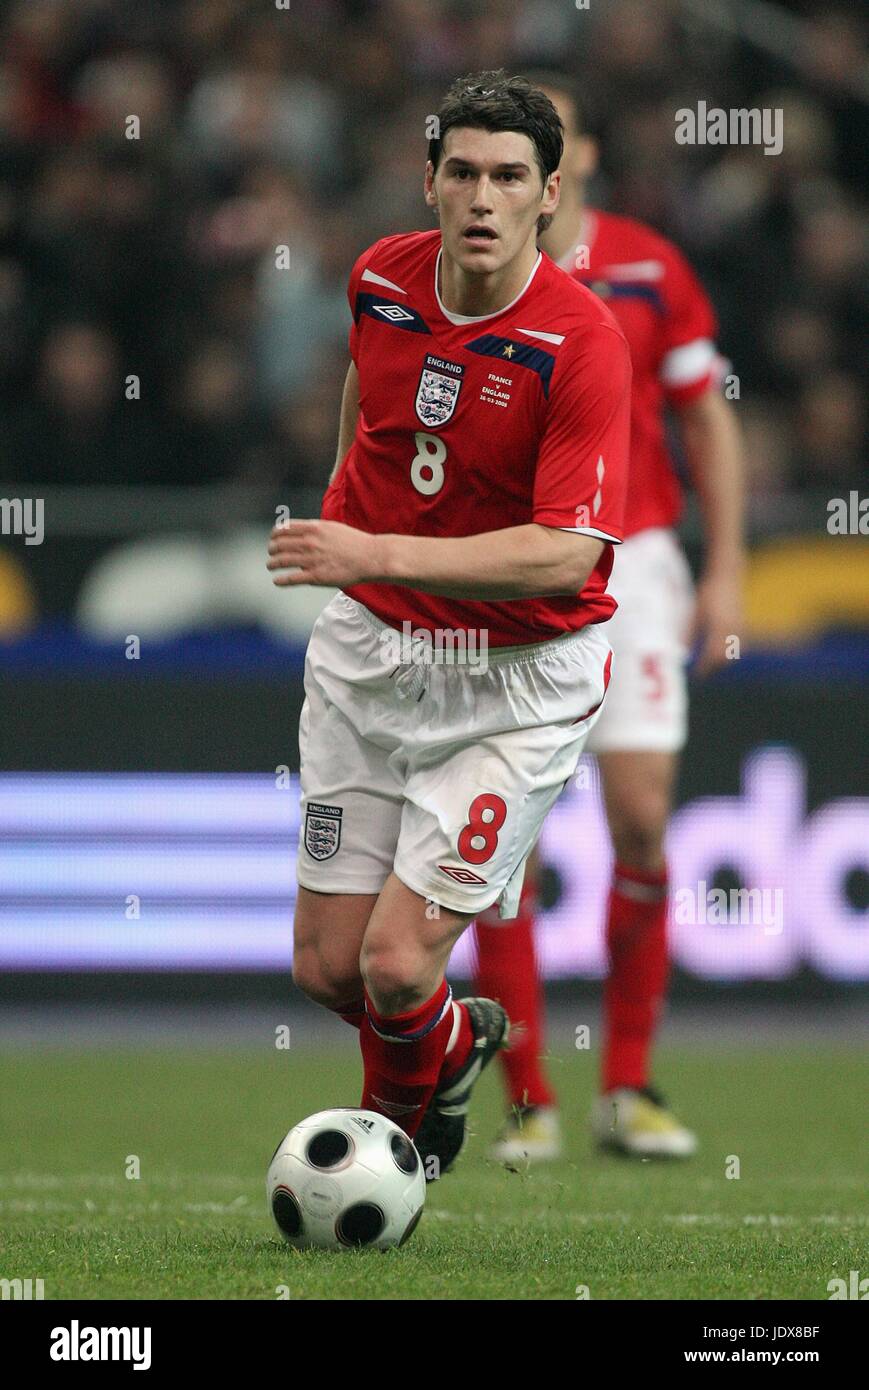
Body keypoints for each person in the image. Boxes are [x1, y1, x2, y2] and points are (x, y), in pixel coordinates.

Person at [266, 70, 631, 1177]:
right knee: (328, 971)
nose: (482, 197)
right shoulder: (378, 275)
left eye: (508, 178)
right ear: (427, 181)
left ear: (548, 196)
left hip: (514, 680)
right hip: (371, 655)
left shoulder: (580, 342)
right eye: (462, 172)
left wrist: (369, 547)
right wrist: (346, 488)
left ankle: (392, 1158)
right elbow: (368, 389)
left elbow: (565, 551)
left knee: (392, 959)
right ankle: (454, 1039)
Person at [473, 73, 746, 1164]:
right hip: (509, 570)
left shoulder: (645, 266)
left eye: (545, 143)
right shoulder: (474, 270)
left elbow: (708, 421)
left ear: (574, 157)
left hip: (630, 563)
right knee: (495, 838)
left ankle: (624, 1085)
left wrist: (721, 569)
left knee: (640, 816)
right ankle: (525, 1095)